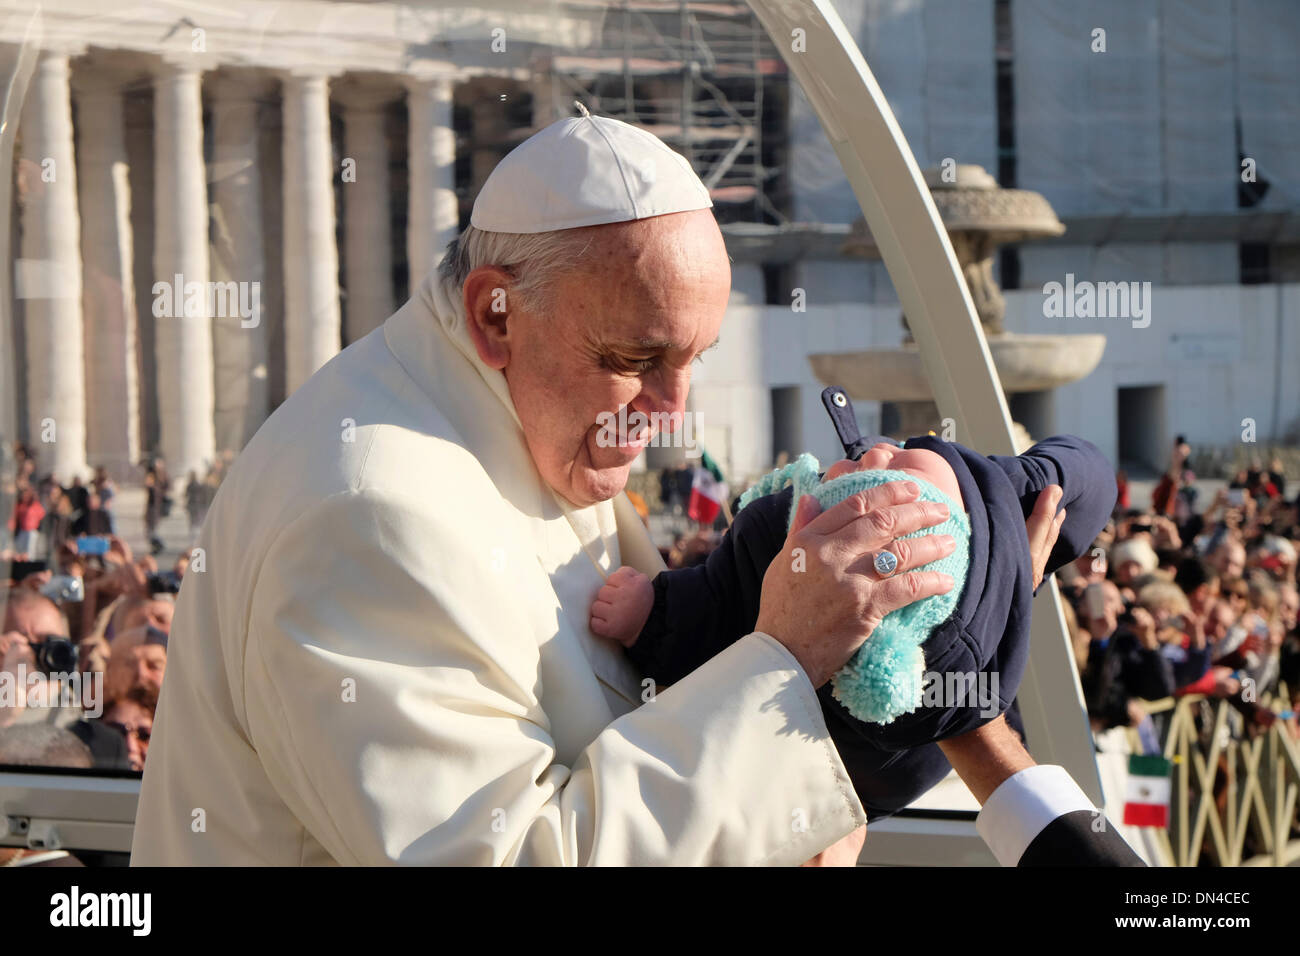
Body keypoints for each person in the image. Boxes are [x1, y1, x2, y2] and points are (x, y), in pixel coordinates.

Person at [133, 112, 1129, 867]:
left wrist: (964, 605)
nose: (669, 410)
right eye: (634, 357)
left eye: (693, 358)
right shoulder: (366, 509)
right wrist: (788, 653)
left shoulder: (517, 405)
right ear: (496, 315)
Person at [590, 412, 1119, 821]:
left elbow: (704, 611)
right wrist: (1034, 485)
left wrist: (649, 614)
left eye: (886, 474)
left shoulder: (773, 551)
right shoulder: (994, 521)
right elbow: (1091, 474)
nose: (879, 452)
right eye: (907, 460)